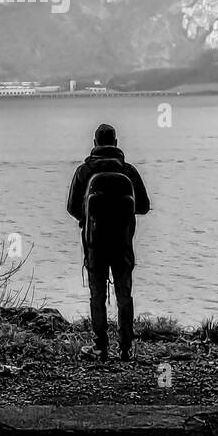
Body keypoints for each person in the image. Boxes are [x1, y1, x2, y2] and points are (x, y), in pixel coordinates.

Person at [66, 123, 151, 363]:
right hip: (123, 243)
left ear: (95, 144)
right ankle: (125, 348)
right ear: (115, 143)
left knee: (97, 295)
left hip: (95, 244)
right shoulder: (129, 171)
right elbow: (143, 207)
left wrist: (89, 217)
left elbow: (72, 208)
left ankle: (100, 347)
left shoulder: (84, 171)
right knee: (124, 294)